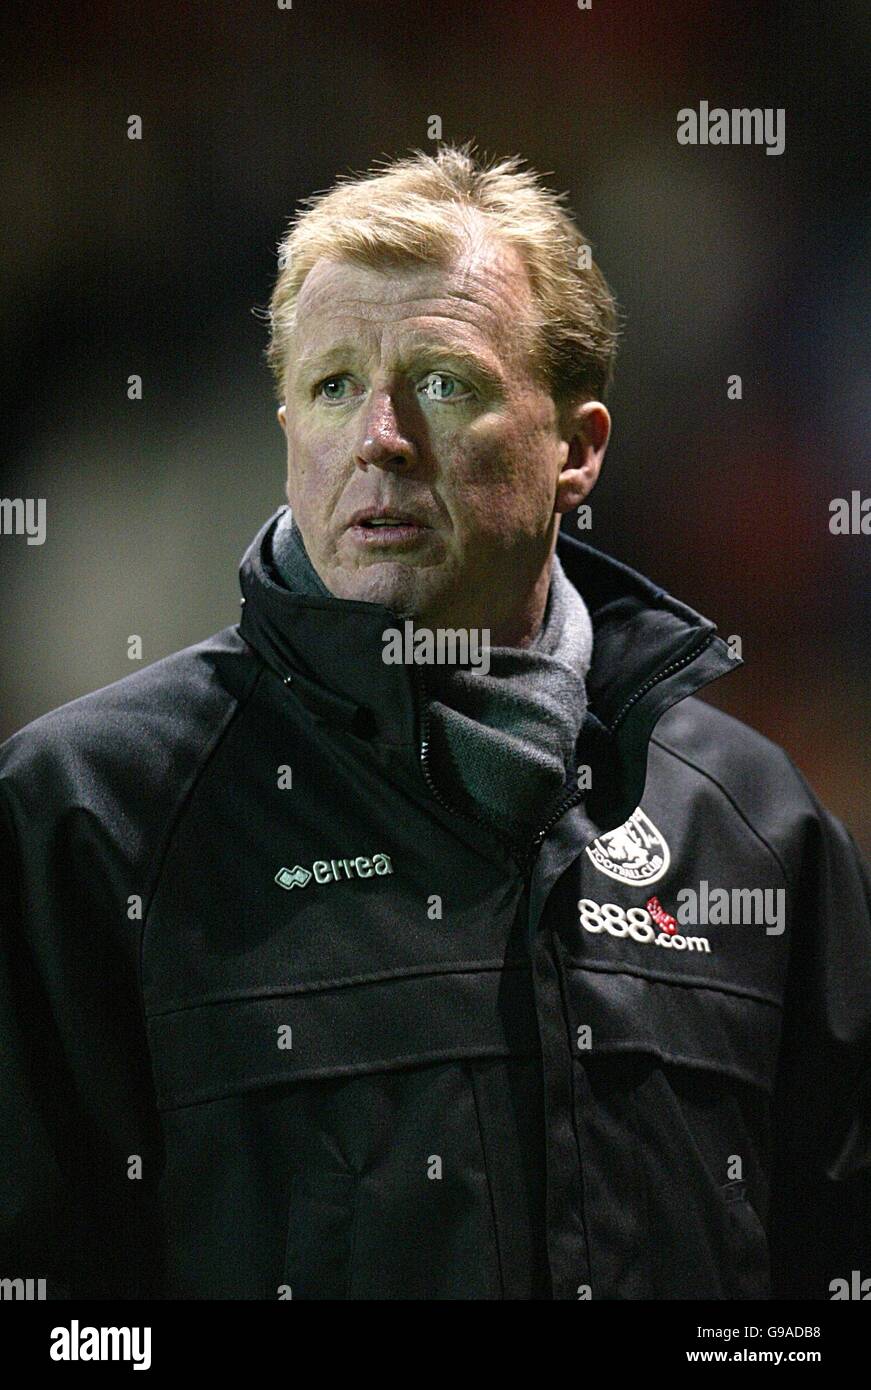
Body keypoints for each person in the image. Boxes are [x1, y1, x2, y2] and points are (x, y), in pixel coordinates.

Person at [1, 144, 868, 1300]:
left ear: (578, 447)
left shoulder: (757, 826)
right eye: (333, 387)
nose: (381, 438)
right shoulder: (86, 815)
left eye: (445, 384)